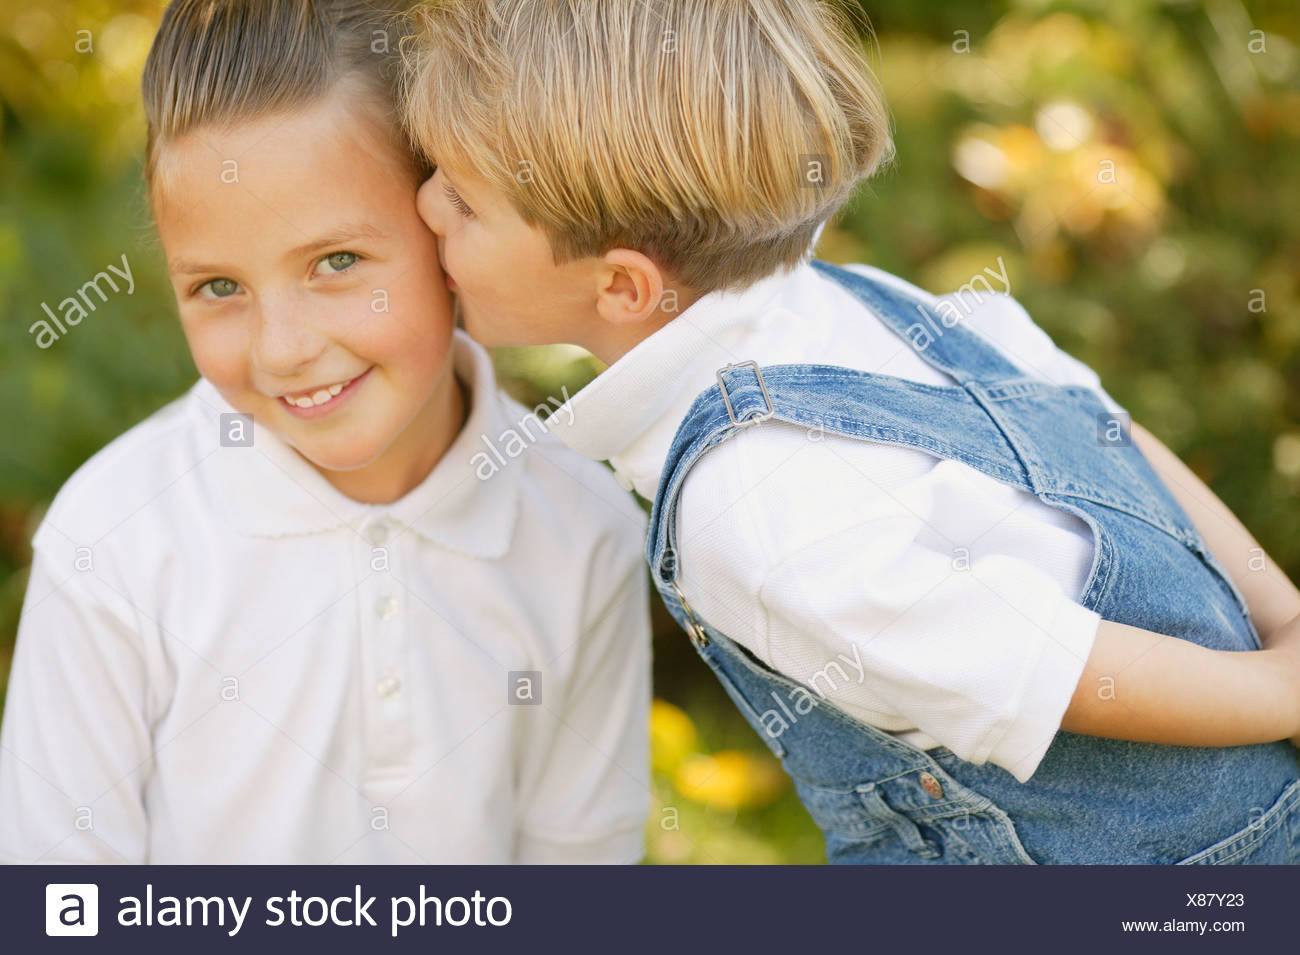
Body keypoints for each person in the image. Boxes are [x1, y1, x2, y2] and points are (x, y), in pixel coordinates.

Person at [403, 0, 1300, 863]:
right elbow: (1112, 435)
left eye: (463, 201)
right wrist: (1280, 611)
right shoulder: (862, 302)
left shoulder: (746, 502)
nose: (425, 208)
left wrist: (1276, 687)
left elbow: (1049, 671)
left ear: (625, 288)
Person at [0, 0, 651, 864]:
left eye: (336, 263)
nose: (283, 349)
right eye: (219, 287)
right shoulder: (113, 542)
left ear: (448, 232)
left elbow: (580, 871)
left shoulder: (582, 525)